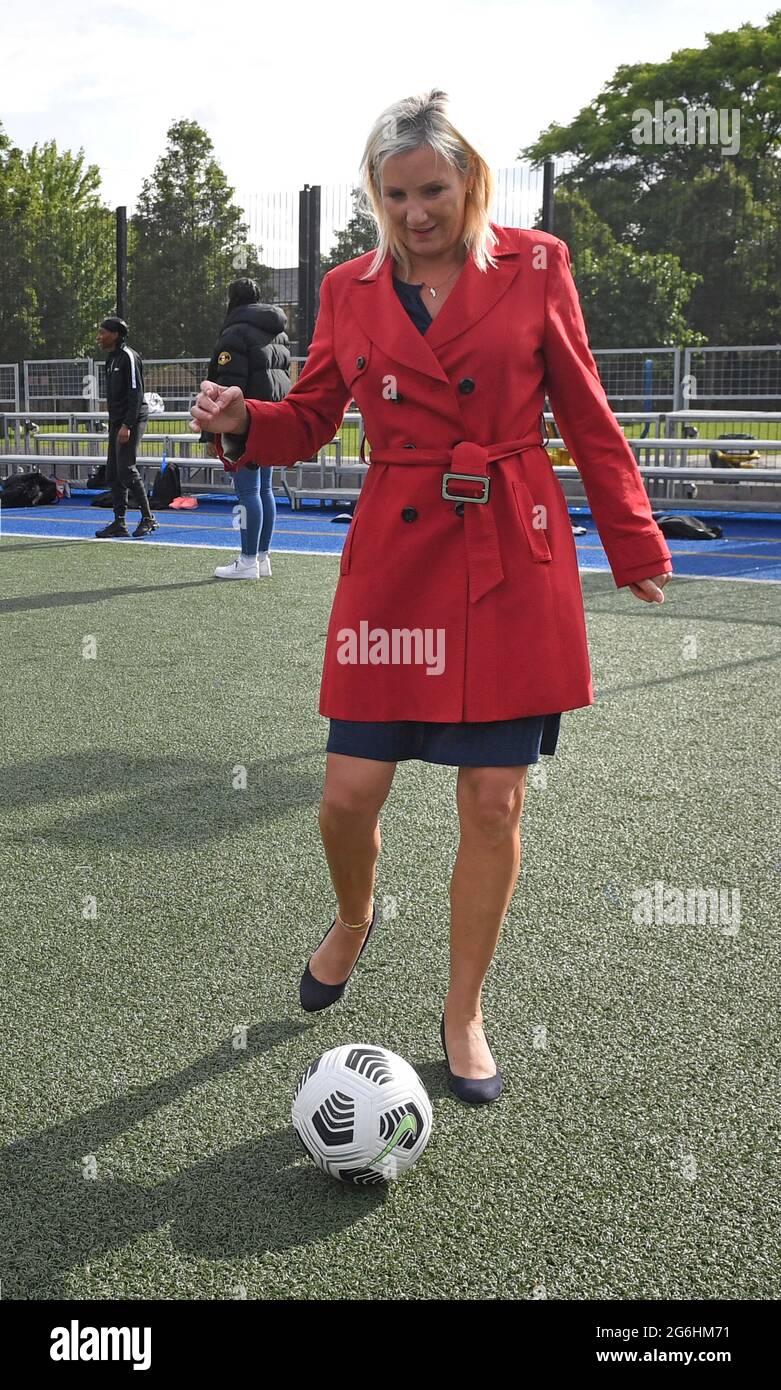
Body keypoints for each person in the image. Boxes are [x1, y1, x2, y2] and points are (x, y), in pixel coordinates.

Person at [191, 89, 673, 1107]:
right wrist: (244, 422)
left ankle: (462, 1009)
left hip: (509, 551)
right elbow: (313, 416)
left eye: (435, 190)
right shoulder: (348, 288)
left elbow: (584, 409)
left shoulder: (536, 263)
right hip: (396, 564)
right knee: (347, 794)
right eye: (398, 192)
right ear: (376, 192)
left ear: (469, 183)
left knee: (492, 800)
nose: (418, 212)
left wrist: (630, 534)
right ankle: (356, 916)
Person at [202, 279, 291, 579]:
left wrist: (213, 430)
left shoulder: (234, 333)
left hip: (244, 420)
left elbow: (228, 384)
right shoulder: (277, 331)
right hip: (271, 416)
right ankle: (262, 557)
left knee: (247, 492)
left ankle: (247, 560)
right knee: (265, 489)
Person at [94, 316, 158, 539]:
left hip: (131, 420)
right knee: (113, 472)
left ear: (115, 334)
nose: (99, 337)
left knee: (127, 468)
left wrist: (127, 425)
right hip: (116, 422)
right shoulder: (110, 360)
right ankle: (119, 522)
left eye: (102, 333)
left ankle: (148, 519)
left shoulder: (128, 357)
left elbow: (136, 393)